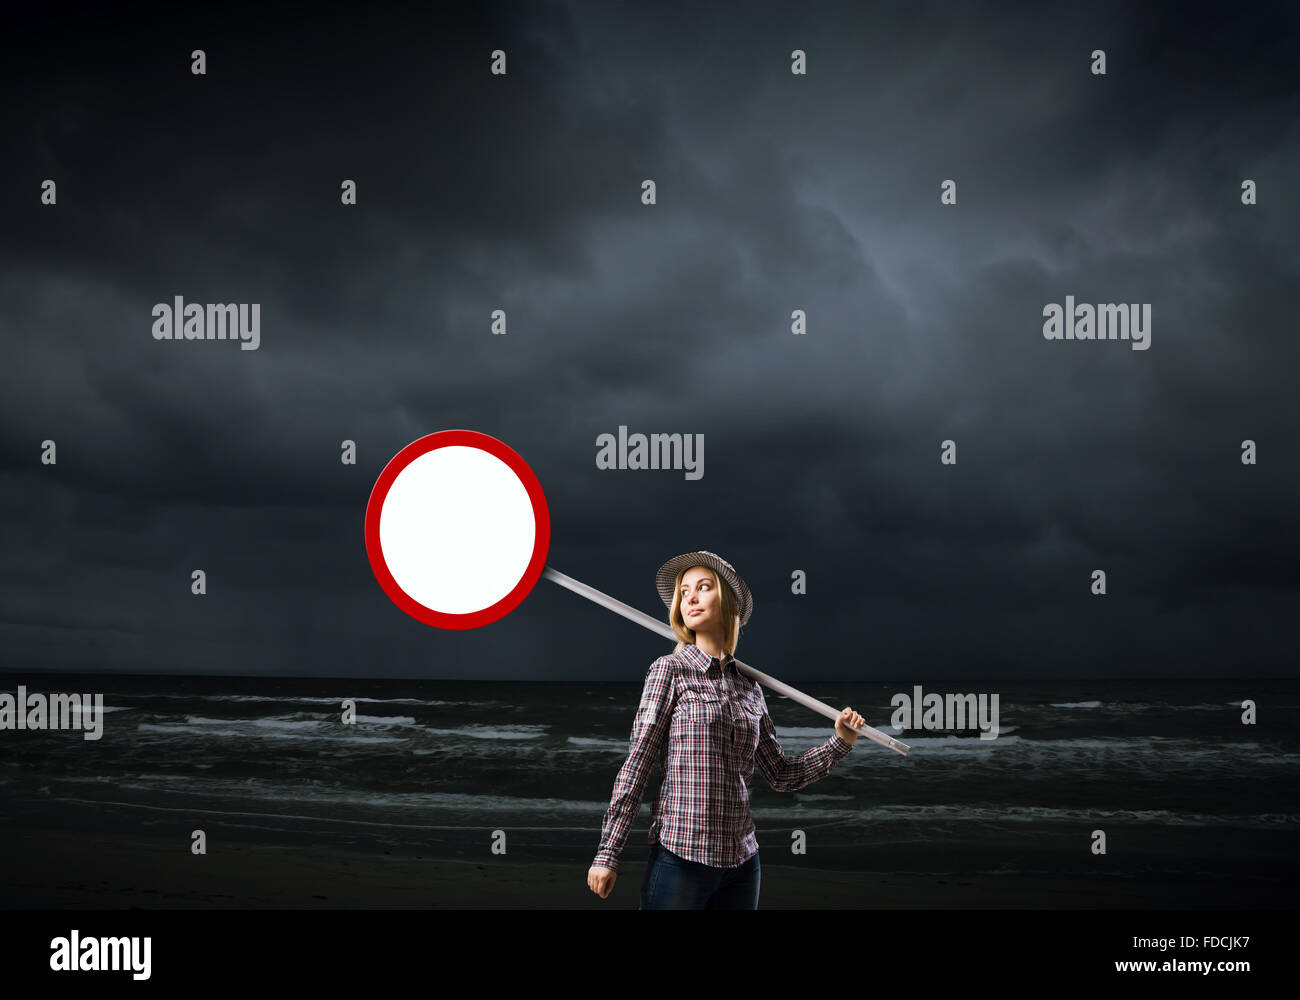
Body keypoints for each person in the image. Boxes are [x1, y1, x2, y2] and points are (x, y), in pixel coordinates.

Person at [586, 550, 865, 908]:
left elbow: (780, 774)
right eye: (684, 591)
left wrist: (840, 742)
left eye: (704, 587)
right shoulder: (669, 671)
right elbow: (638, 763)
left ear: (728, 601)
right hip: (681, 857)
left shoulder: (750, 688)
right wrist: (608, 852)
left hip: (743, 864)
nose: (691, 597)